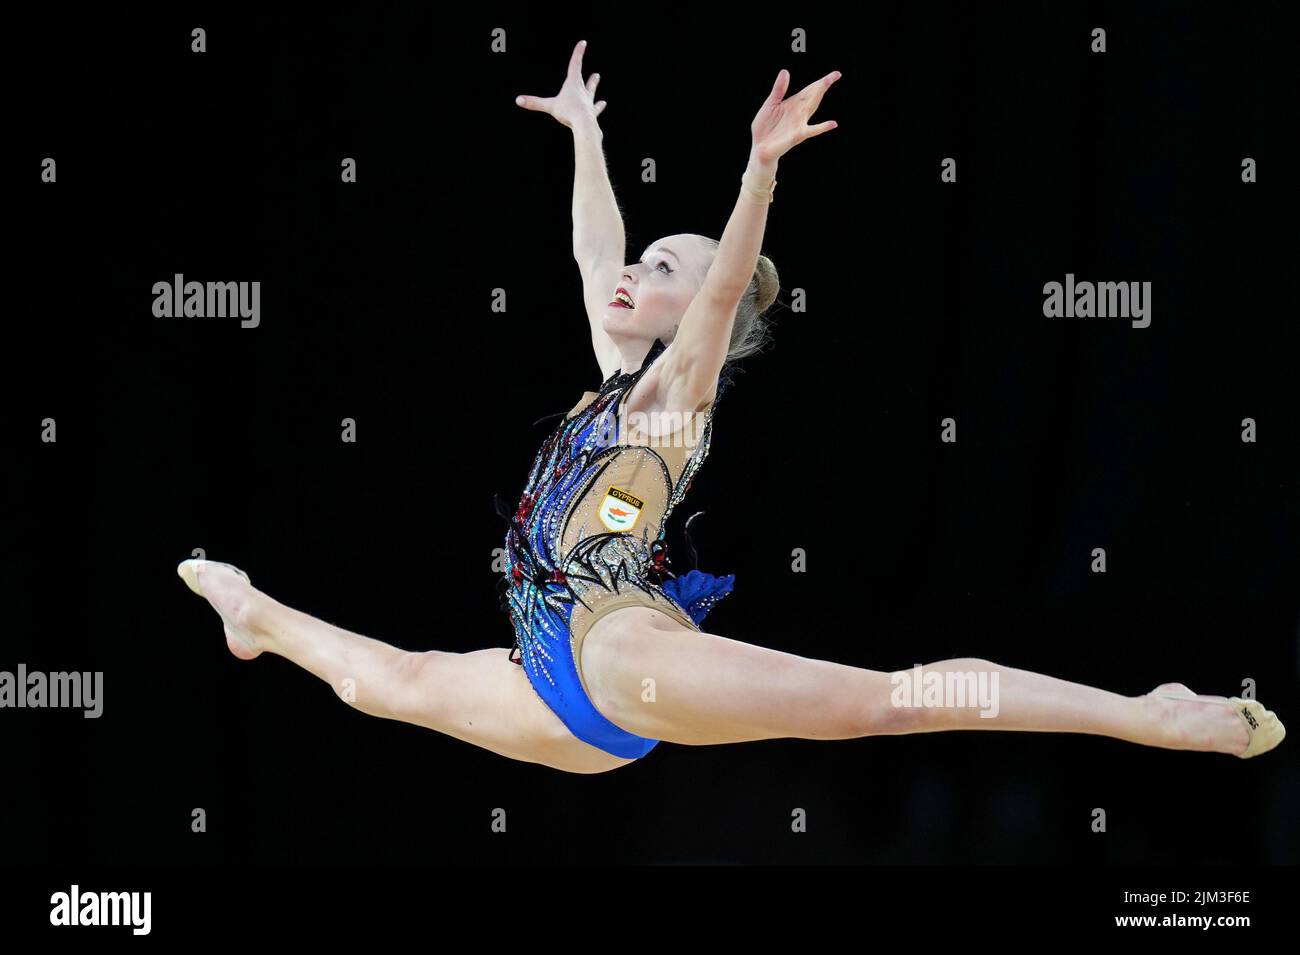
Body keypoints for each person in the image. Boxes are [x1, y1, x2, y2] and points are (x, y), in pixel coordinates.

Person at [177, 42, 1284, 775]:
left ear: (692, 305)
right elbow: (591, 249)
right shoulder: (616, 368)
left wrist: (757, 175)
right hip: (553, 670)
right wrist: (586, 136)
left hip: (621, 655)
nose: (635, 271)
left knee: (884, 702)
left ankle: (1143, 711)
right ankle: (255, 617)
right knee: (391, 682)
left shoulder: (671, 396)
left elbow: (709, 300)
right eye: (650, 259)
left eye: (664, 266)